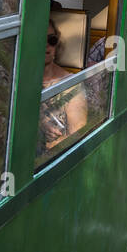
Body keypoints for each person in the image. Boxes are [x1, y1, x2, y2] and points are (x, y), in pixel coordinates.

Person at [40, 19, 87, 156]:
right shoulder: (16, 77)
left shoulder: (71, 84)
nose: (47, 45)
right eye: (40, 39)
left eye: (52, 40)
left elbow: (77, 136)